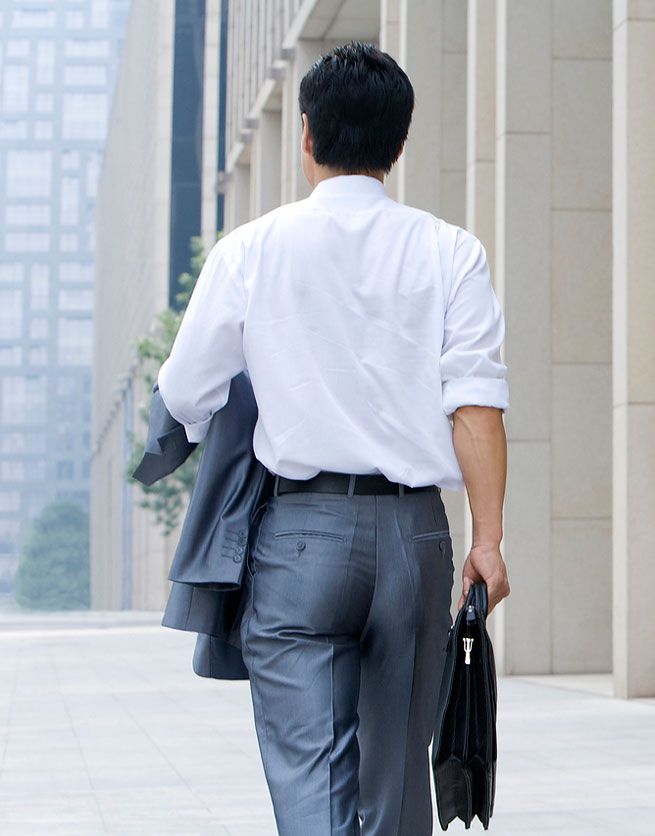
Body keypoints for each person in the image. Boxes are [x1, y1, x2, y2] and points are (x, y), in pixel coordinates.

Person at [155, 41, 510, 836]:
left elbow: (184, 393)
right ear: (399, 143)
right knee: (394, 791)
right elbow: (476, 406)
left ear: (306, 137)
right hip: (415, 535)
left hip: (301, 537)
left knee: (312, 782)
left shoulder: (250, 249)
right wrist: (487, 541)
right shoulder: (451, 251)